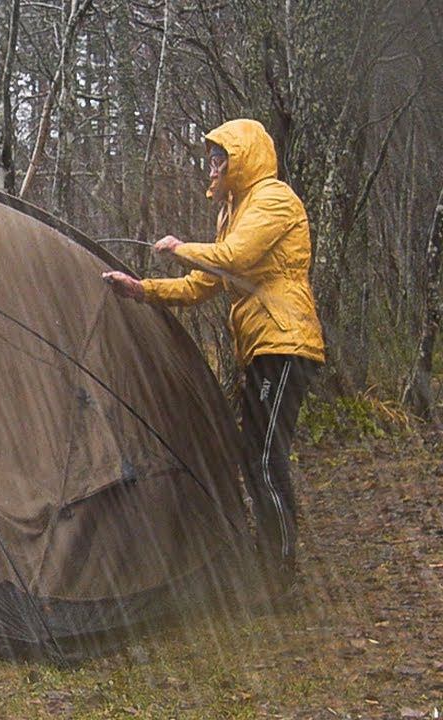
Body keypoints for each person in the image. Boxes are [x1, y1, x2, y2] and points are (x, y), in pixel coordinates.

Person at [102, 118, 325, 596]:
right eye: (210, 158)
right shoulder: (234, 211)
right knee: (256, 456)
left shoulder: (273, 199)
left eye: (218, 157)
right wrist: (142, 291)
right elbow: (202, 284)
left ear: (241, 157)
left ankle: (281, 579)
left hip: (286, 342)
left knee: (264, 458)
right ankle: (271, 568)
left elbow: (237, 258)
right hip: (262, 346)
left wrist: (182, 247)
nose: (211, 167)